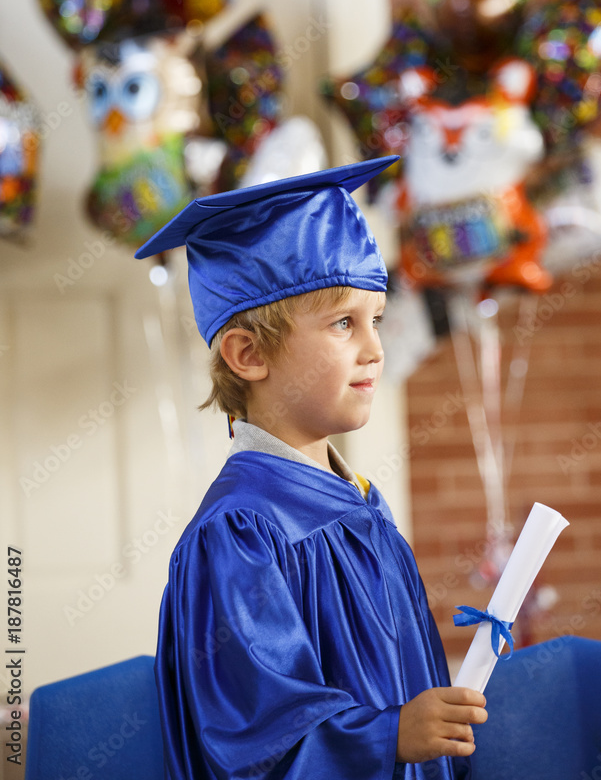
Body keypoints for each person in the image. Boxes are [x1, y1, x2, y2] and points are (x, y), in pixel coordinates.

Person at [135, 155, 487, 780]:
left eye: (375, 319)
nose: (376, 347)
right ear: (248, 354)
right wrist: (388, 736)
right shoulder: (242, 534)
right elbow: (252, 741)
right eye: (343, 324)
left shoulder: (355, 501)